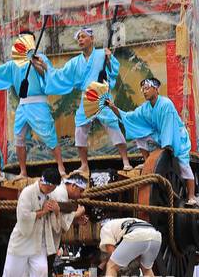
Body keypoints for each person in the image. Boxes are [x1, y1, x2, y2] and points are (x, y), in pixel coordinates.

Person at [37, 26, 132, 175]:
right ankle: (84, 165)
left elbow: (113, 70)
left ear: (92, 39)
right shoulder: (75, 62)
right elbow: (61, 75)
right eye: (78, 38)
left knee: (113, 127)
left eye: (83, 36)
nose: (80, 39)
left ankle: (125, 161)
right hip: (86, 97)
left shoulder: (101, 54)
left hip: (101, 95)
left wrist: (108, 59)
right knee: (80, 130)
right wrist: (47, 68)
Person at [0, 173, 87, 277]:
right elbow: (23, 217)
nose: (52, 191)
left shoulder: (51, 195)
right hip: (22, 240)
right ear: (48, 184)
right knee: (11, 271)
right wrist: (44, 211)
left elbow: (57, 223)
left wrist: (56, 212)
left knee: (41, 270)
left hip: (39, 241)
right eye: (52, 188)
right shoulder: (28, 192)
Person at [0, 38, 67, 179]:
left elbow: (48, 75)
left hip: (38, 102)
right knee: (18, 138)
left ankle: (61, 167)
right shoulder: (13, 65)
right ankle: (23, 171)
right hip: (23, 104)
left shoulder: (40, 57)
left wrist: (35, 63)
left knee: (49, 135)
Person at [109, 77, 197, 202]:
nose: (144, 92)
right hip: (160, 136)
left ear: (156, 89)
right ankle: (148, 162)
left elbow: (168, 125)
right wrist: (113, 107)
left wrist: (167, 145)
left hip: (176, 135)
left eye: (147, 88)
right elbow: (130, 117)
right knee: (138, 133)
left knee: (184, 166)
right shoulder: (145, 108)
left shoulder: (166, 104)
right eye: (142, 89)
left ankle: (191, 195)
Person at [99, 216, 165, 277]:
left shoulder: (105, 228)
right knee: (147, 270)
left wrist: (125, 268)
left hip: (137, 235)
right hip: (156, 236)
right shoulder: (122, 222)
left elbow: (112, 253)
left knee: (111, 267)